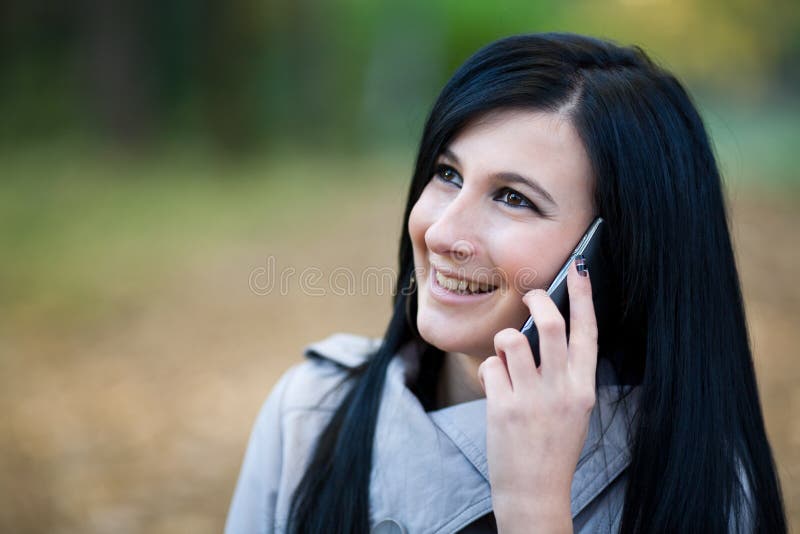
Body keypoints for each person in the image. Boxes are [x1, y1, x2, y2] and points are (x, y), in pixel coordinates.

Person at [225, 33, 787, 533]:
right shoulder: (309, 416)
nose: (443, 233)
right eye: (447, 174)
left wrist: (534, 511)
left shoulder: (701, 491)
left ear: (612, 253)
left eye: (513, 198)